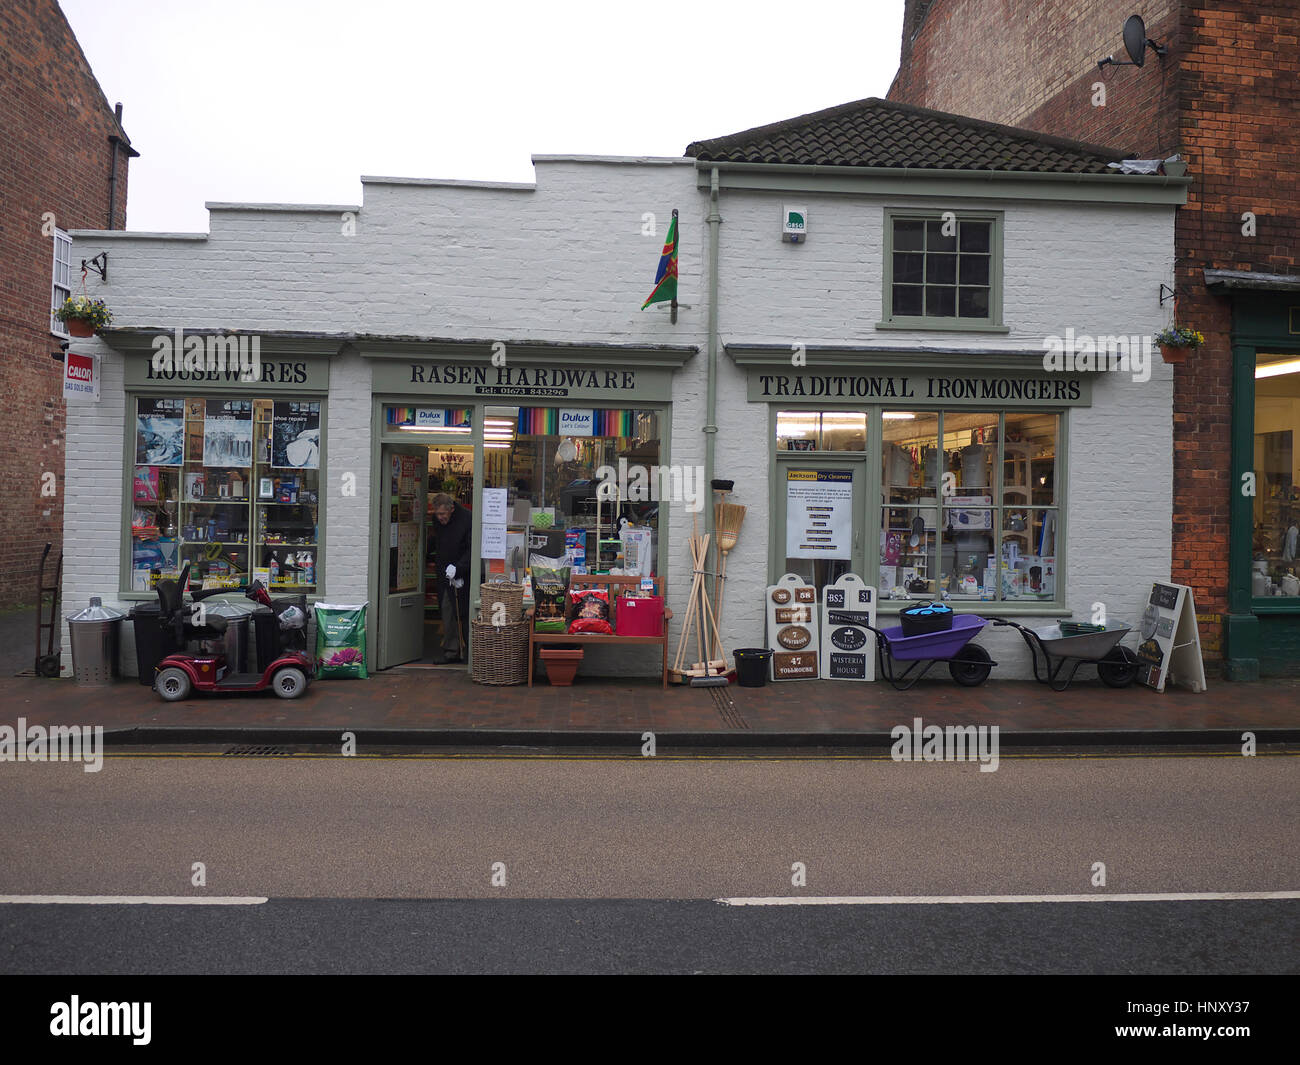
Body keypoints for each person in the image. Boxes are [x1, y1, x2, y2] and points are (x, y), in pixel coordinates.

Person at [426, 493, 472, 662]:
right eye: (437, 514)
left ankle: (469, 652)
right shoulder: (436, 521)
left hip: (463, 573)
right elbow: (438, 542)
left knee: (465, 613)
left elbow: (470, 548)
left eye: (443, 514)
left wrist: (460, 568)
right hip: (444, 572)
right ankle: (451, 650)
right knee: (447, 610)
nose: (440, 518)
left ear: (451, 509)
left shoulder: (467, 519)